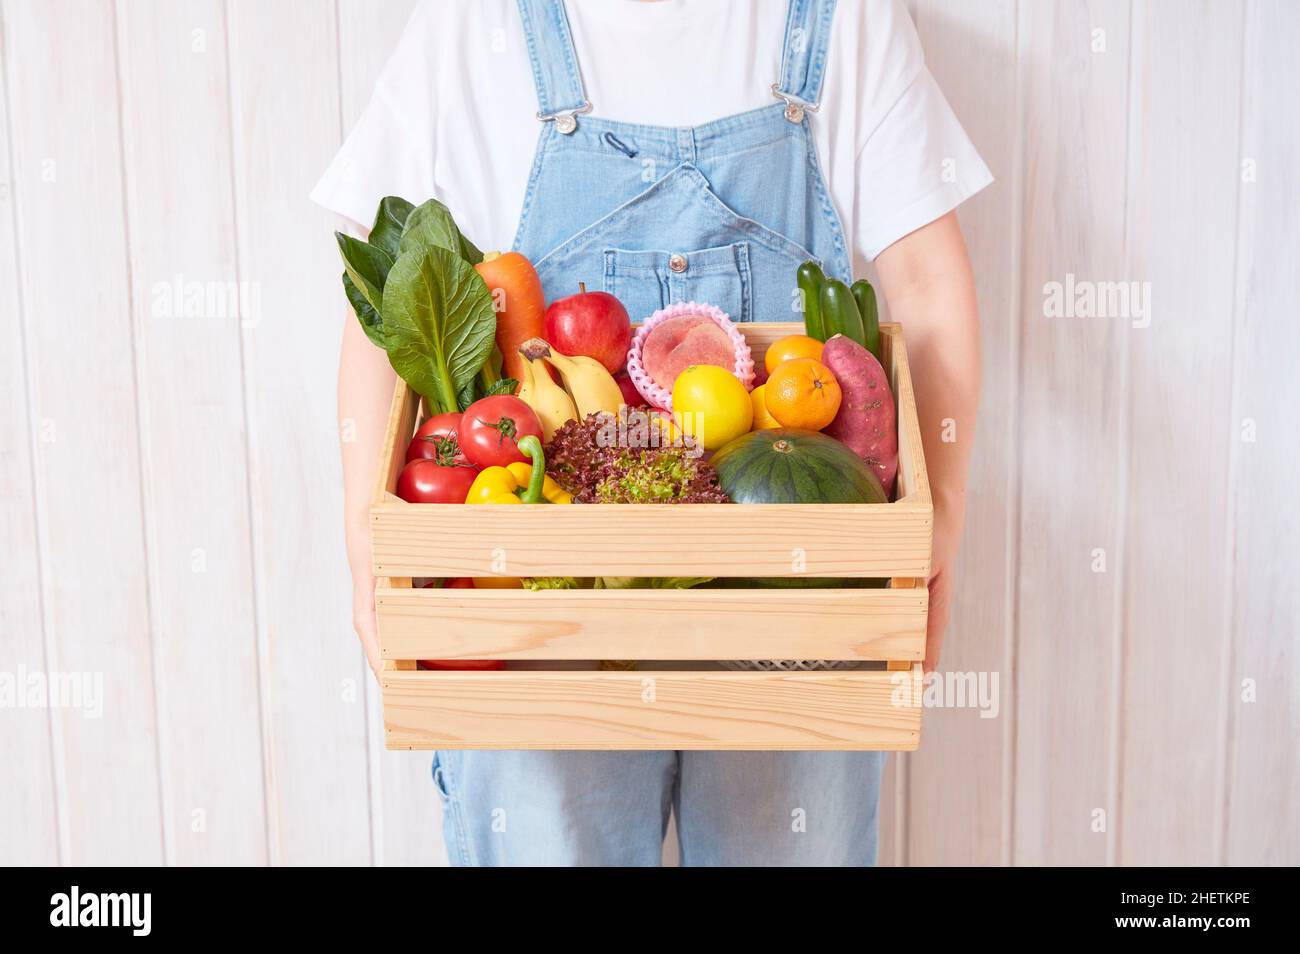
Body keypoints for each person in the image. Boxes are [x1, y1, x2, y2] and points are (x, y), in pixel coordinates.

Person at [313, 0, 987, 866]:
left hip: (791, 611)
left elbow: (929, 286)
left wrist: (942, 519)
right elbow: (386, 301)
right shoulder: (468, 25)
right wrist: (368, 539)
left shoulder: (841, 19)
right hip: (542, 617)